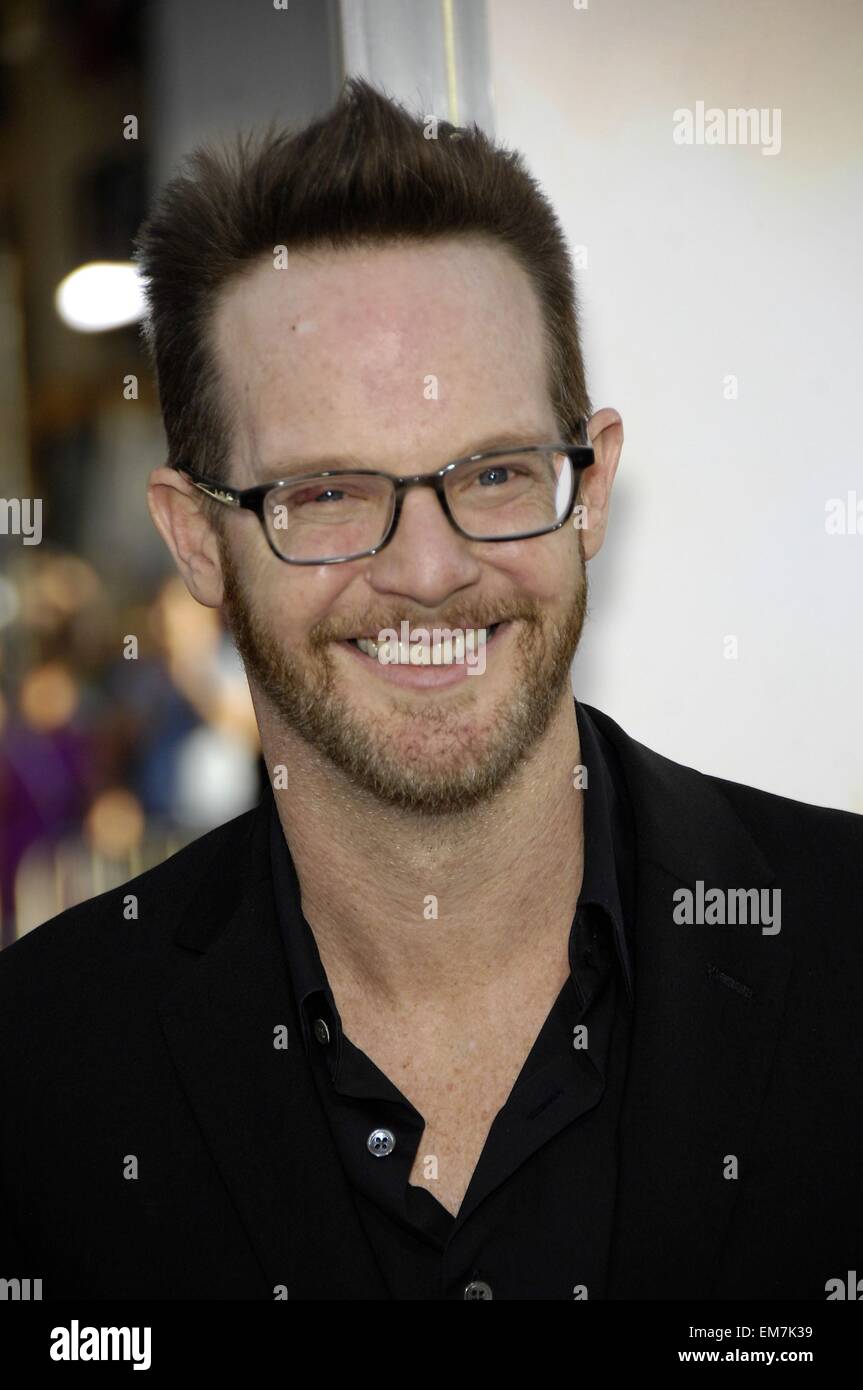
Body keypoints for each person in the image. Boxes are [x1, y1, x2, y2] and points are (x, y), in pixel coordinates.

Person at [1, 78, 860, 1302]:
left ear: (592, 486)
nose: (428, 571)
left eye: (497, 472)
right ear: (197, 541)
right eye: (331, 493)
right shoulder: (39, 1075)